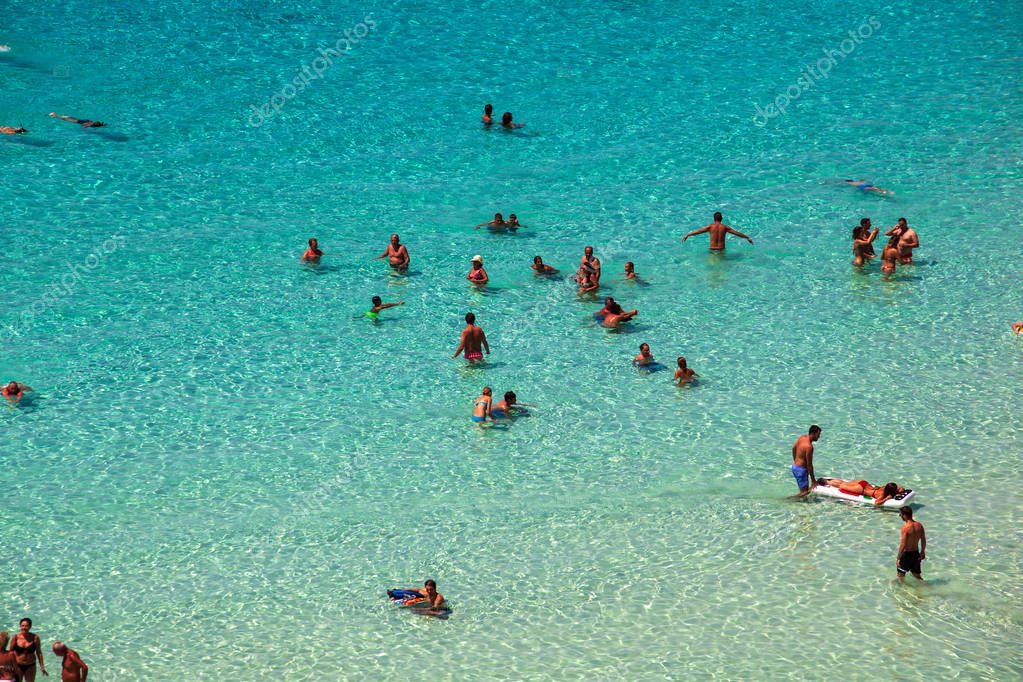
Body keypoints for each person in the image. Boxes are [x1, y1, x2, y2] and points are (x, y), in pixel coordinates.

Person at [681, 212, 754, 251]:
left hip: (712, 249)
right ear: (721, 218)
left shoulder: (710, 227)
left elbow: (699, 231)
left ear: (714, 219)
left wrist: (688, 234)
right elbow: (736, 233)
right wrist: (747, 237)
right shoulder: (725, 227)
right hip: (721, 249)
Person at [820, 478, 905, 506]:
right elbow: (877, 503)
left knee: (843, 483)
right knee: (841, 485)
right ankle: (826, 482)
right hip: (860, 489)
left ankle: (827, 480)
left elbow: (902, 488)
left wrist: (897, 493)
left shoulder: (884, 488)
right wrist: (886, 498)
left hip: (864, 483)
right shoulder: (883, 494)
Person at [789, 425, 821, 497]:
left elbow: (793, 448)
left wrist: (795, 460)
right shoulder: (809, 447)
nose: (819, 437)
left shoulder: (802, 438)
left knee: (804, 490)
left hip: (795, 467)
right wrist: (813, 481)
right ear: (813, 433)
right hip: (801, 471)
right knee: (804, 493)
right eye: (818, 434)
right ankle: (787, 500)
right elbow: (809, 465)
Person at [897, 506, 926, 581]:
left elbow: (903, 545)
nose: (900, 516)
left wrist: (898, 558)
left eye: (900, 514)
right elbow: (923, 539)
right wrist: (922, 552)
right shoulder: (919, 525)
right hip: (916, 554)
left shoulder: (905, 528)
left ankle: (900, 589)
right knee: (918, 577)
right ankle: (926, 587)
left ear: (904, 515)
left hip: (906, 556)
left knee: (900, 578)